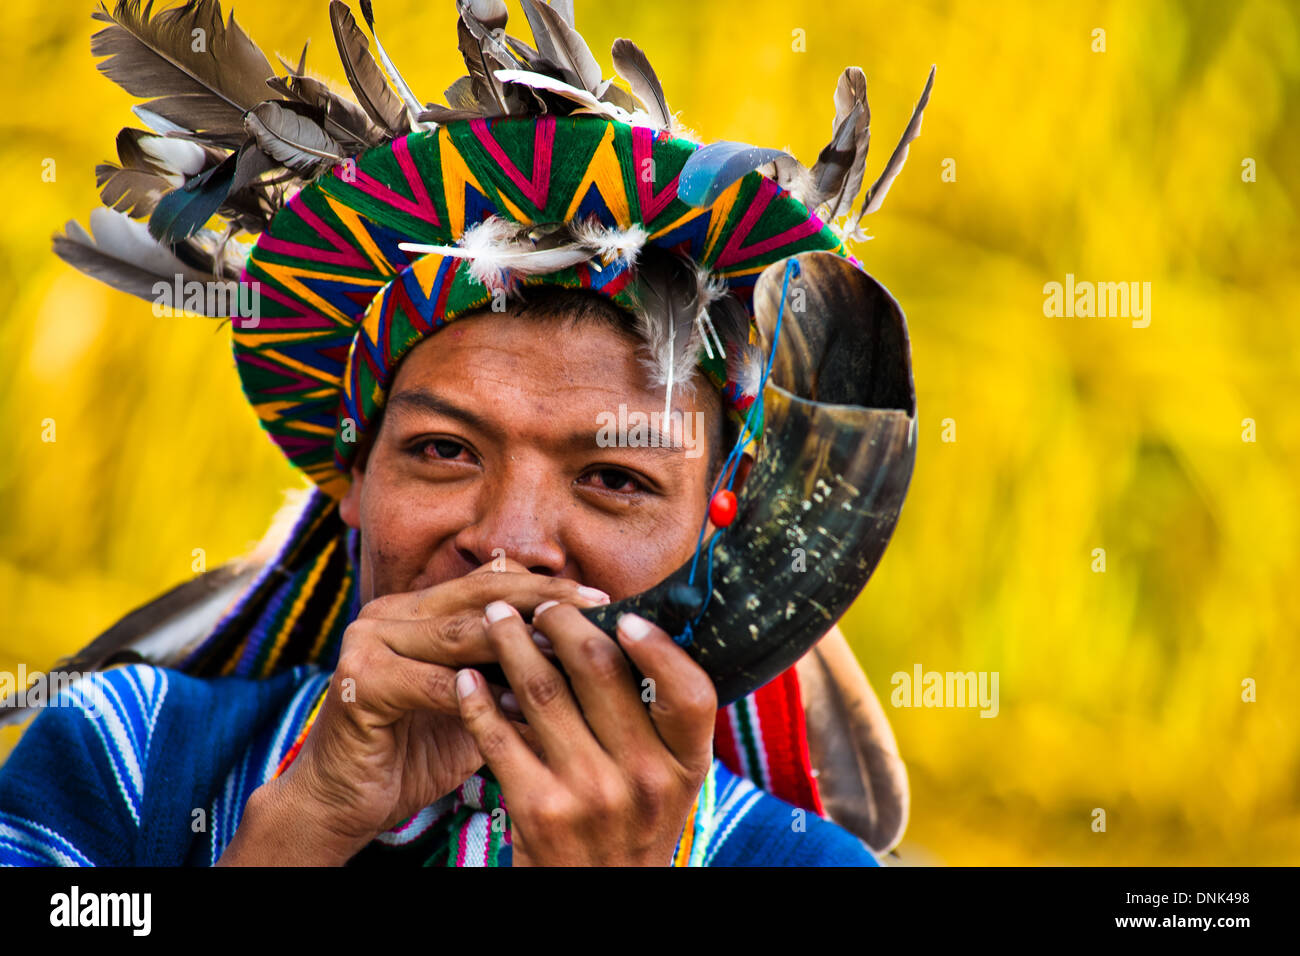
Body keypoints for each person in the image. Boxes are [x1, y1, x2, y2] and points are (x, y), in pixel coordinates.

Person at [0, 0, 925, 866]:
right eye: (444, 451)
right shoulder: (127, 759)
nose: (508, 544)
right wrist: (299, 827)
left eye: (613, 477)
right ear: (354, 479)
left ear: (714, 527)